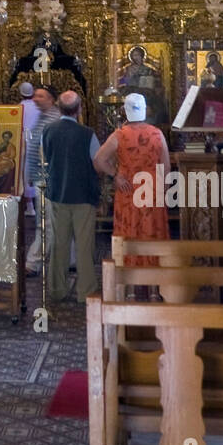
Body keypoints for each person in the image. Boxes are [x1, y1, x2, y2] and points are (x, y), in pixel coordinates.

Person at [93, 92, 171, 299]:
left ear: (125, 111)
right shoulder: (157, 134)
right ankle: (154, 290)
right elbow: (166, 168)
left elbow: (99, 160)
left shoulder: (119, 135)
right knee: (152, 235)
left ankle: (129, 290)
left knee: (128, 236)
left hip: (128, 195)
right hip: (152, 195)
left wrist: (116, 175)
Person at [40, 90, 101, 304]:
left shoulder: (48, 130)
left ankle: (57, 289)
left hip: (57, 193)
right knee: (84, 246)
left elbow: (46, 156)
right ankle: (86, 292)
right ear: (79, 109)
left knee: (58, 243)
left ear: (59, 108)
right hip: (83, 195)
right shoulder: (87, 134)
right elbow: (97, 161)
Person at [22, 85, 62, 274]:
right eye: (35, 95)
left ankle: (33, 262)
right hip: (41, 177)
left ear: (51, 100)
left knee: (44, 222)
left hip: (49, 179)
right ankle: (68, 259)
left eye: (41, 96)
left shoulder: (54, 120)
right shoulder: (42, 117)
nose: (36, 98)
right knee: (53, 220)